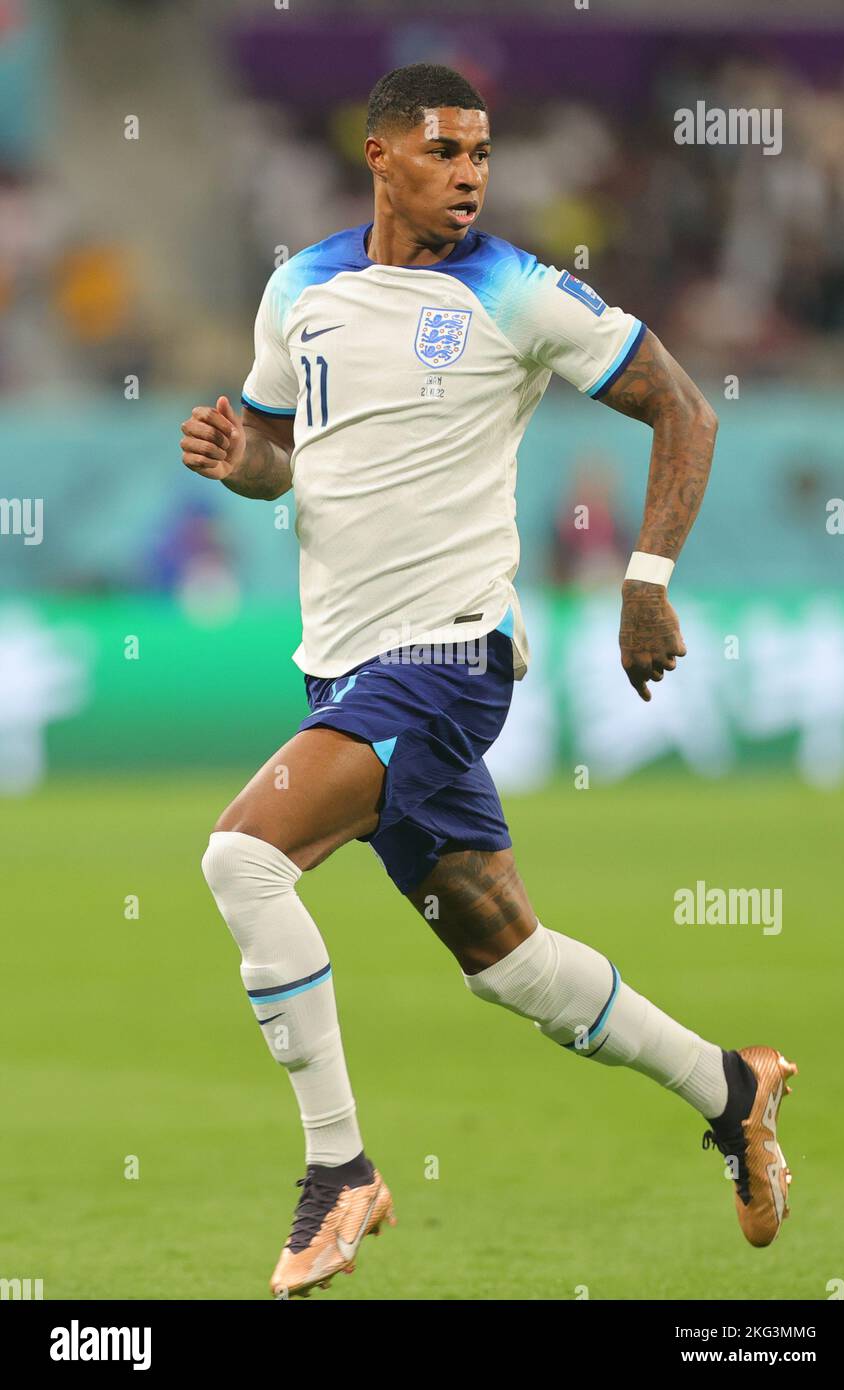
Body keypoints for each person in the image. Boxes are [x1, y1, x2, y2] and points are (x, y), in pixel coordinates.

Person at [180, 63, 796, 1300]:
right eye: (444, 151)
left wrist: (643, 580)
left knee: (241, 858)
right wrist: (238, 454)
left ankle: (336, 1171)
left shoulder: (517, 290)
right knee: (507, 961)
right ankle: (729, 1086)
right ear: (378, 154)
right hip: (342, 669)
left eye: (480, 153)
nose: (469, 174)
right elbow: (284, 457)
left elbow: (684, 408)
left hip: (447, 659)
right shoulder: (298, 288)